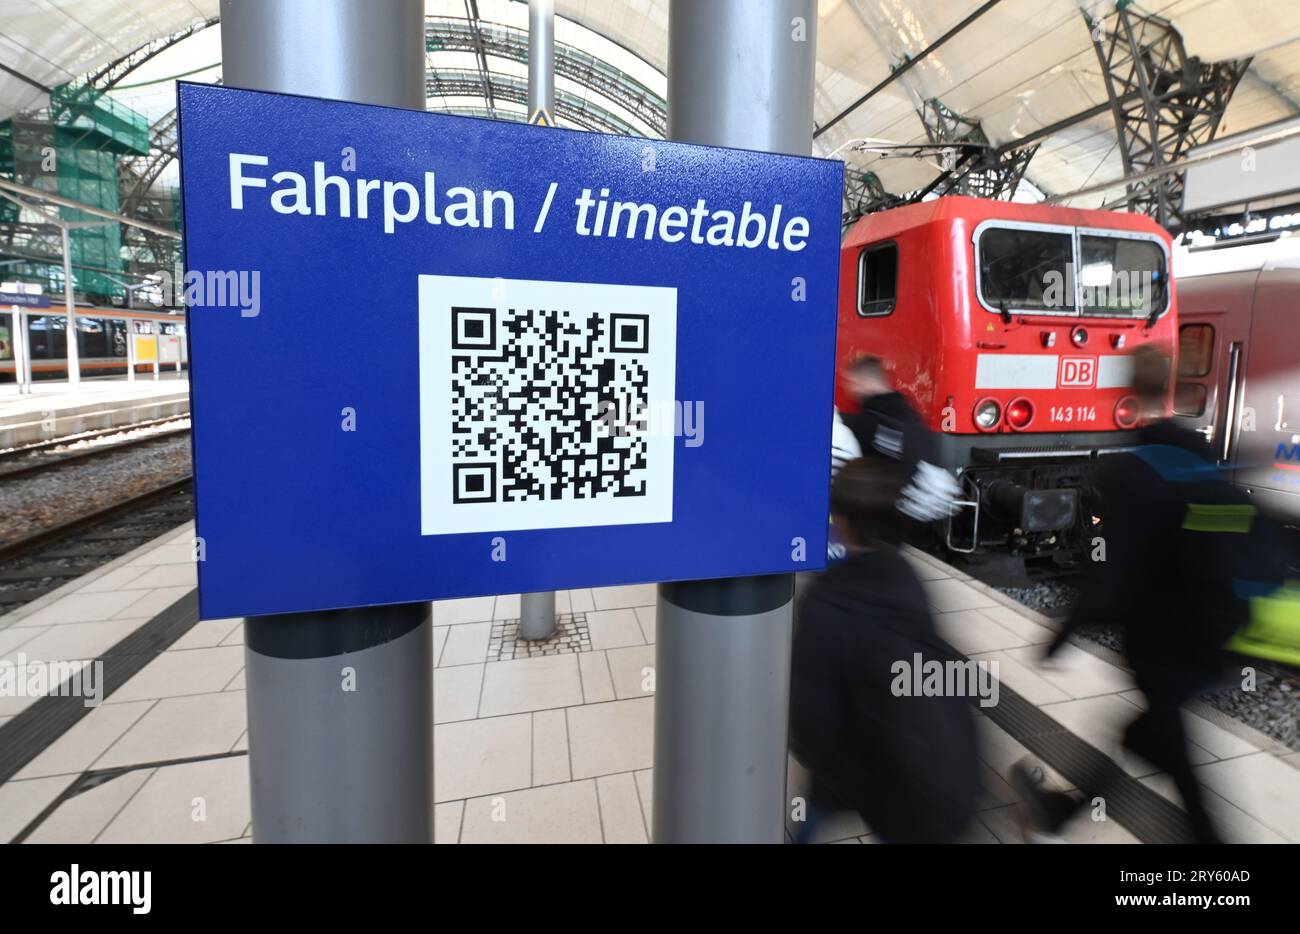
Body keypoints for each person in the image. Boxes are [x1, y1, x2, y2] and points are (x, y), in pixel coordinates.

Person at [1015, 345, 1285, 844]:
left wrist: (1063, 636)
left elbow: (1107, 571)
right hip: (1218, 632)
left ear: (1128, 391)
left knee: (1171, 754)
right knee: (1142, 736)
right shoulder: (1205, 459)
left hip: (1167, 640)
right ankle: (1061, 816)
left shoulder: (1131, 472)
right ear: (1173, 390)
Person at [790, 456, 979, 843]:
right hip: (946, 780)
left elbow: (811, 727)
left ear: (840, 522)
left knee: (815, 815)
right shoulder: (908, 578)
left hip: (883, 775)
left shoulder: (825, 599)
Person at [839, 355, 958, 524]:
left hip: (900, 518)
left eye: (850, 382)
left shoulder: (868, 424)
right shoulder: (912, 417)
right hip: (934, 512)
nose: (848, 388)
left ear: (861, 382)